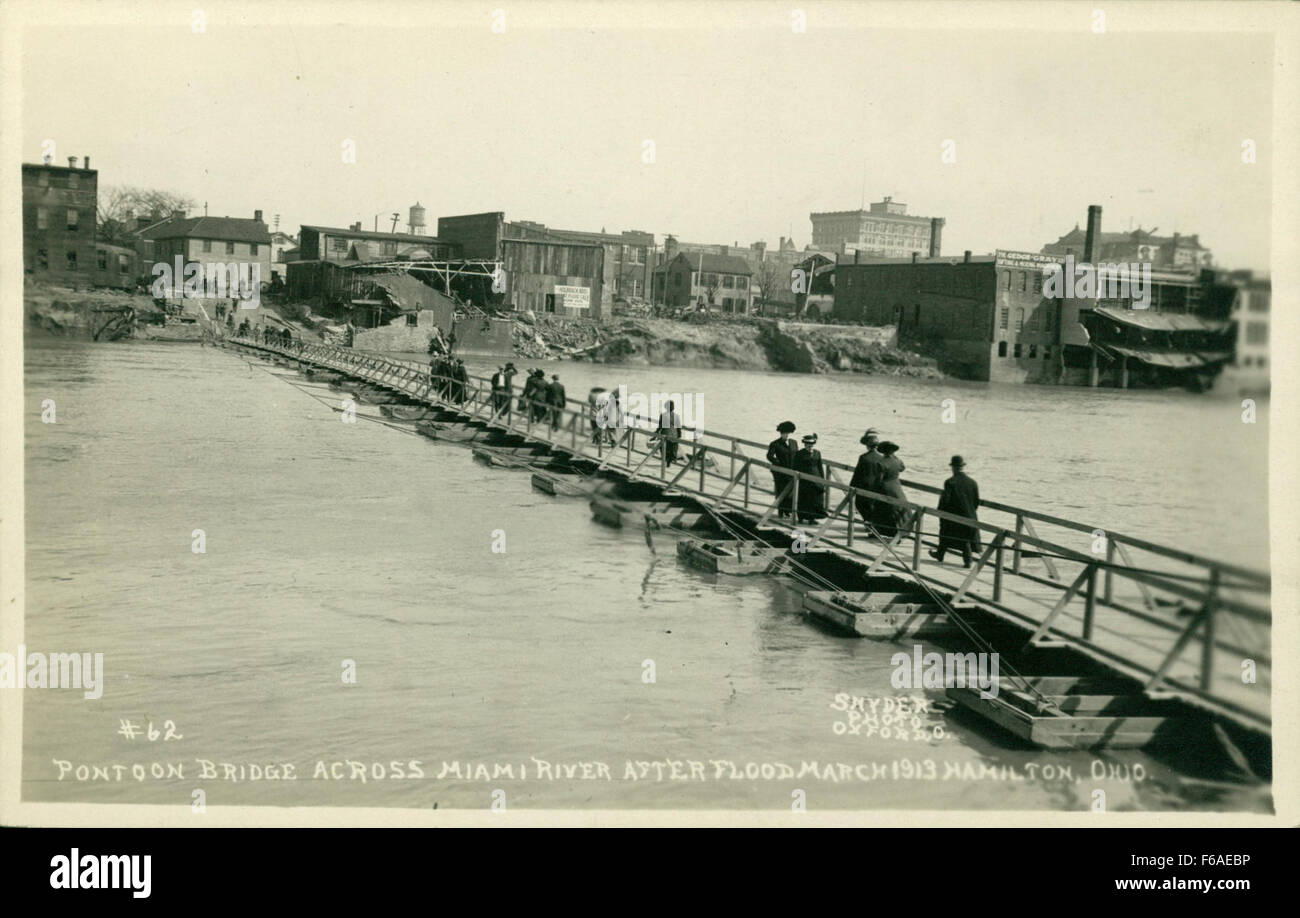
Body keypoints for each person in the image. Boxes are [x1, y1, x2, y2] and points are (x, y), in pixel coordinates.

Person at [931, 455, 981, 568]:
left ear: (953, 467)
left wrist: (940, 512)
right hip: (970, 516)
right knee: (965, 539)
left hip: (955, 516)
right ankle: (966, 561)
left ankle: (941, 554)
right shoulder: (973, 482)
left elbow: (945, 500)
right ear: (962, 467)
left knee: (945, 529)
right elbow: (976, 502)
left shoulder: (950, 482)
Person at [850, 428, 886, 536]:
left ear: (868, 446)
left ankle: (869, 526)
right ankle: (872, 527)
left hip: (864, 486)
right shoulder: (882, 458)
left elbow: (857, 474)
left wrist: (851, 486)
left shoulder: (864, 457)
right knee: (874, 507)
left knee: (861, 505)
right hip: (877, 487)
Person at [874, 441, 908, 538]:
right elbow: (902, 469)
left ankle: (887, 532)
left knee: (884, 508)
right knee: (899, 506)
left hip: (885, 486)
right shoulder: (898, 460)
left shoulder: (881, 463)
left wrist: (875, 488)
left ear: (883, 451)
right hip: (896, 485)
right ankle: (904, 530)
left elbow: (879, 479)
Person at [766, 421, 799, 519]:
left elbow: (797, 455)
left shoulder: (794, 443)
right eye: (785, 433)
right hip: (780, 472)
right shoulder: (775, 444)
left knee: (791, 492)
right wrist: (778, 463)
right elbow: (769, 456)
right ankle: (781, 511)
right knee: (781, 490)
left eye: (788, 433)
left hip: (792, 470)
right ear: (781, 433)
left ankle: (788, 510)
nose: (787, 435)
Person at [793, 433, 827, 524]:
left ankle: (812, 518)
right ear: (805, 444)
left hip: (816, 478)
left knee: (815, 499)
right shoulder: (800, 454)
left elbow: (820, 467)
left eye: (812, 444)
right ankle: (801, 517)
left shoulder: (817, 453)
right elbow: (795, 467)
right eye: (808, 444)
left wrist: (822, 480)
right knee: (804, 499)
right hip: (804, 479)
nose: (810, 446)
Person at [657, 400, 683, 464]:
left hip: (665, 434)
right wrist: (679, 434)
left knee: (664, 448)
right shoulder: (676, 416)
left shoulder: (663, 415)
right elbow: (679, 427)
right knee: (673, 449)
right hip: (674, 435)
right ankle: (670, 460)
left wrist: (656, 433)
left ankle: (666, 460)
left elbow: (660, 427)